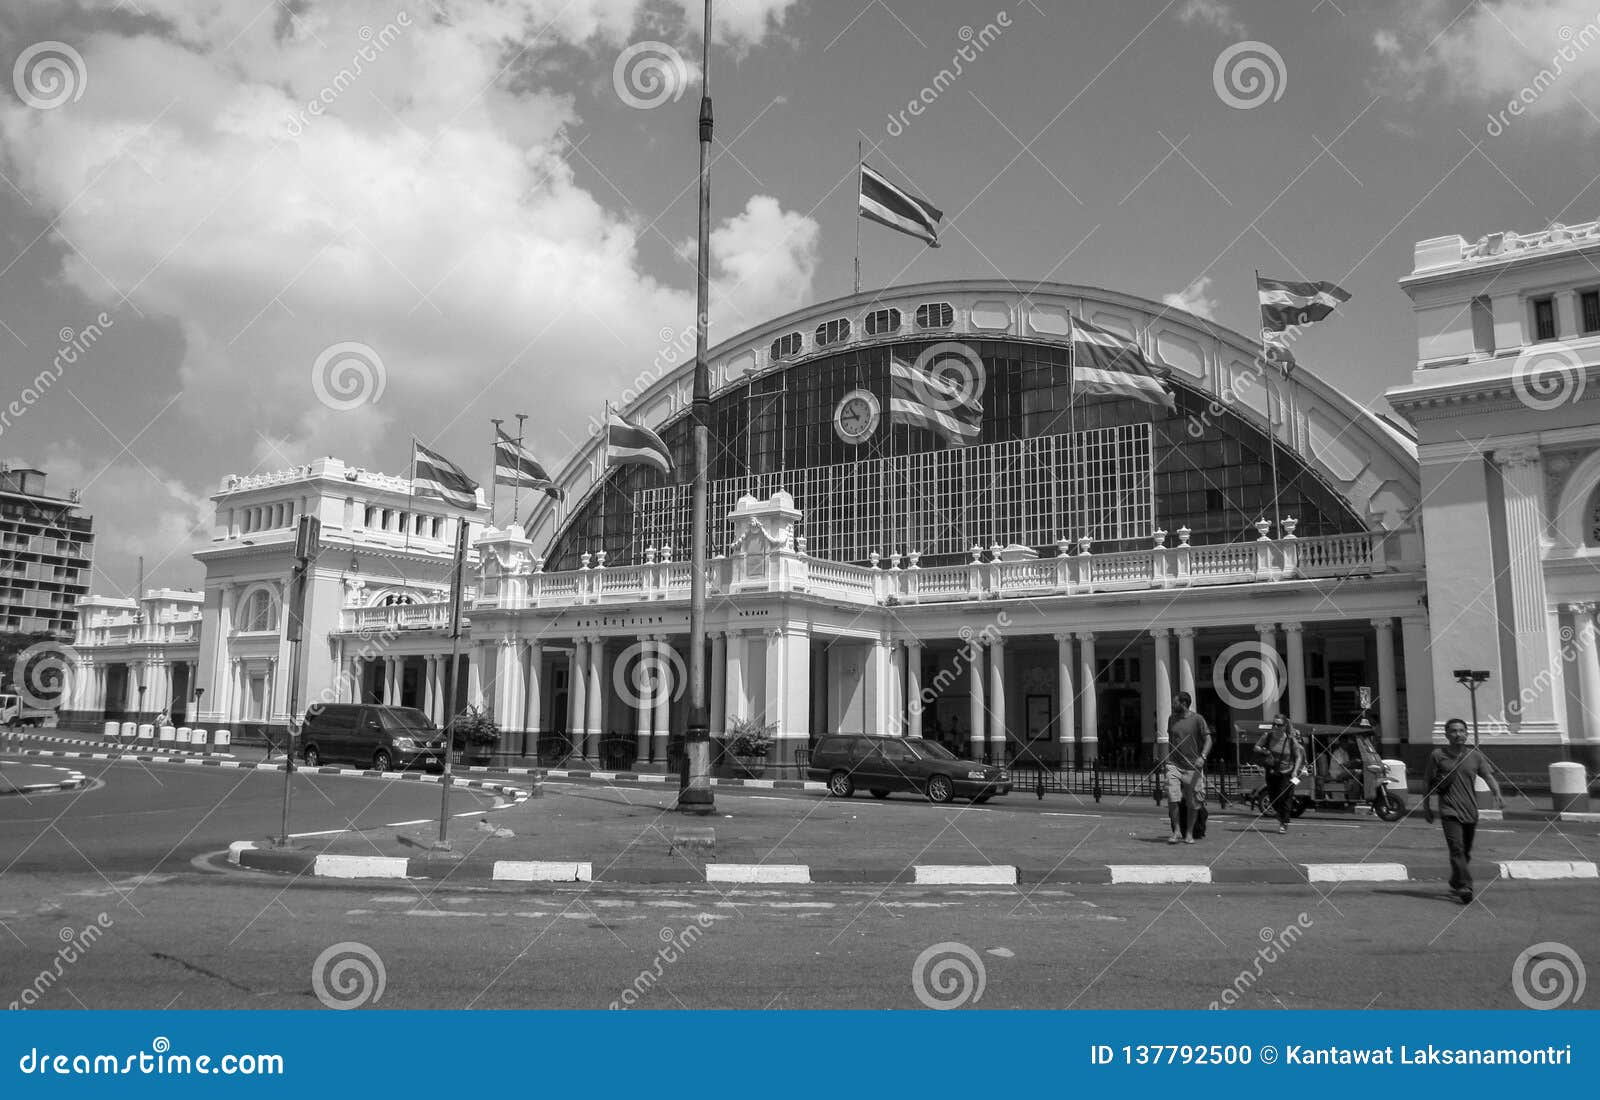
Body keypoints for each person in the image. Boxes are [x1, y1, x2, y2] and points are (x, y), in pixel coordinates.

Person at [1423, 717, 1503, 904]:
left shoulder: (1475, 756)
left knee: (1465, 852)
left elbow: (1488, 776)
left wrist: (1497, 793)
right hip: (1449, 810)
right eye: (1453, 731)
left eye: (1461, 731)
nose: (1458, 734)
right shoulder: (1437, 755)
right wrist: (1426, 806)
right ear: (1446, 735)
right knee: (1457, 848)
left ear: (1466, 733)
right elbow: (1427, 780)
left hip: (1470, 811)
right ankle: (1466, 886)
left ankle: (1455, 880)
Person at [1164, 692, 1211, 844]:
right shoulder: (1171, 719)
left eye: (1175, 702)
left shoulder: (1198, 719)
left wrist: (1202, 757)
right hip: (1174, 765)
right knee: (1173, 796)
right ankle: (1176, 831)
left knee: (1192, 802)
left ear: (1184, 703)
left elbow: (1208, 739)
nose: (1172, 705)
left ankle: (1189, 833)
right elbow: (1171, 739)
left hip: (1192, 766)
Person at [1253, 714, 1305, 834]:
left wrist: (1295, 772)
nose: (1276, 727)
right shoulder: (1268, 736)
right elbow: (1256, 747)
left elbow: (1298, 757)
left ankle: (1284, 822)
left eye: (1279, 725)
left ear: (1284, 726)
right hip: (1271, 771)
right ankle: (1280, 816)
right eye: (1274, 724)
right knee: (1273, 798)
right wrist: (1263, 750)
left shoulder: (1291, 740)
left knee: (1285, 798)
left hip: (1287, 773)